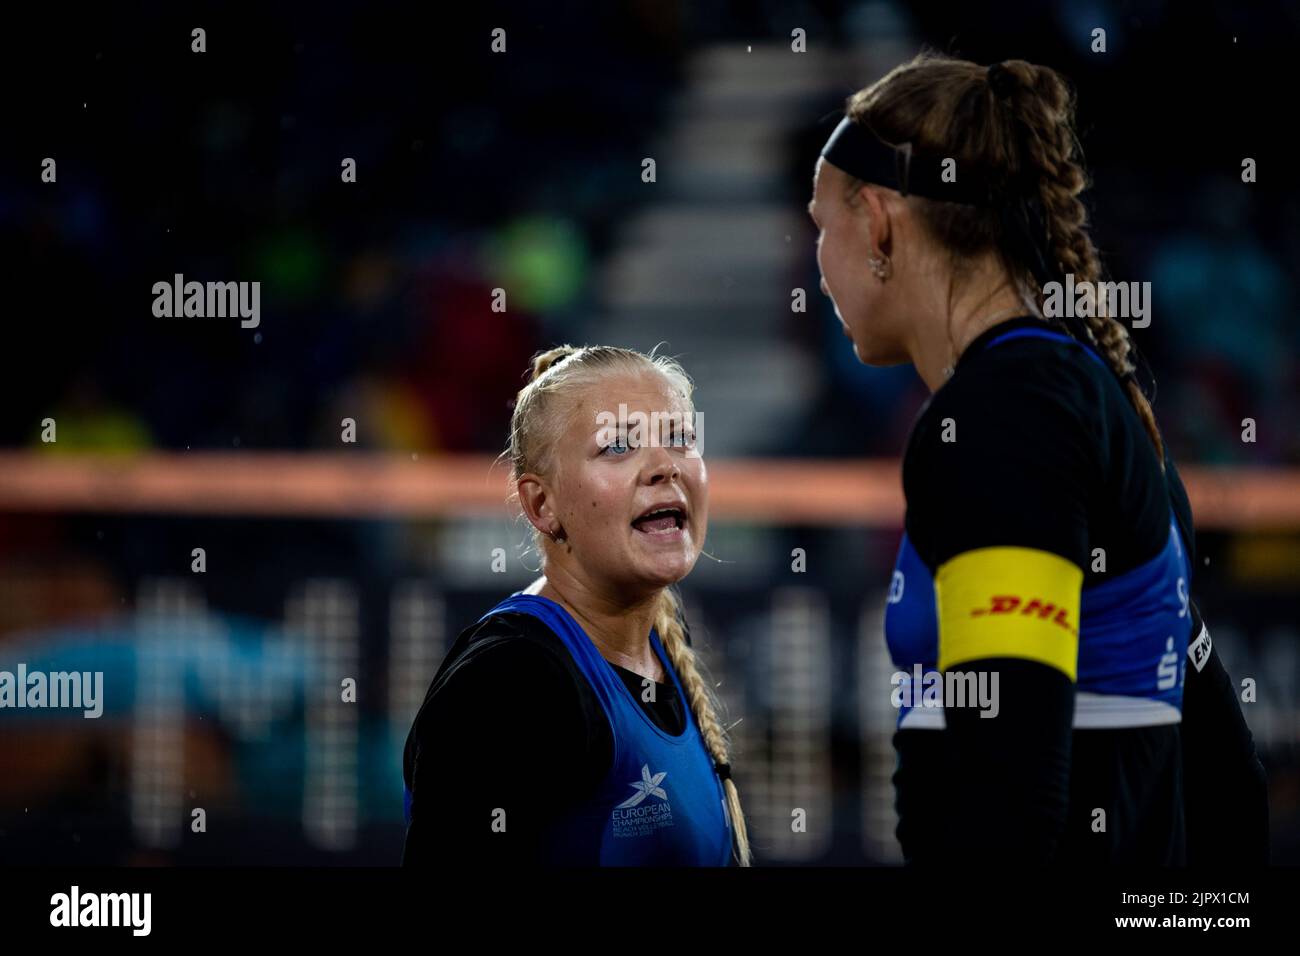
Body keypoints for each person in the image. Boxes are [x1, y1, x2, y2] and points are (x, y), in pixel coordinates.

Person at [807, 52, 1268, 863]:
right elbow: (1229, 789)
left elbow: (1009, 805)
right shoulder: (1083, 396)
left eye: (822, 224)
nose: (816, 259)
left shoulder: (1006, 416)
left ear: (878, 222)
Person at [402, 344, 751, 866]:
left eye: (680, 439)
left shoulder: (660, 647)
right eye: (618, 447)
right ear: (542, 504)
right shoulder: (511, 678)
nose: (664, 467)